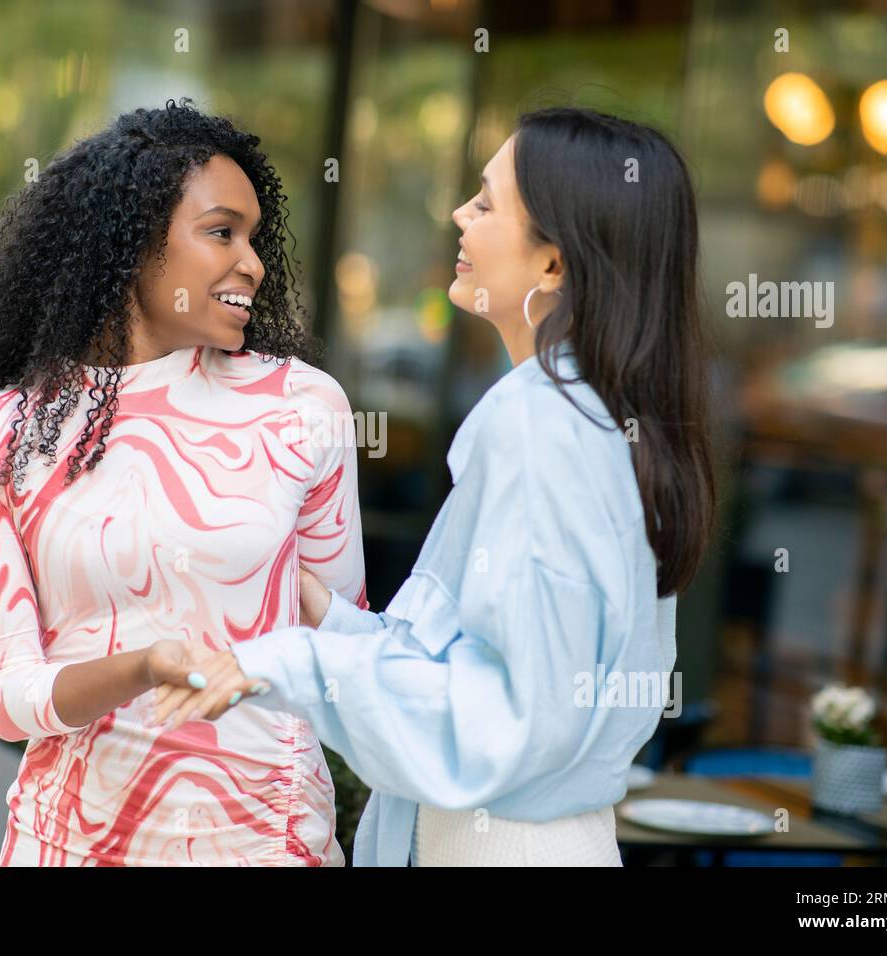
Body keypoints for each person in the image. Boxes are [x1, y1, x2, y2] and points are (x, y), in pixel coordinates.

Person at [154, 106, 716, 866]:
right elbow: (477, 666)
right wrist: (317, 609)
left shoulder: (539, 423)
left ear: (554, 263)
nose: (460, 214)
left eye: (486, 202)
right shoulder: (601, 422)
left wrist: (283, 663)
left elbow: (507, 718)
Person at [0, 99, 367, 866]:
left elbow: (346, 645)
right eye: (221, 231)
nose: (254, 262)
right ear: (127, 245)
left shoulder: (303, 407)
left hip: (269, 843)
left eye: (255, 237)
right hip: (72, 843)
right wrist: (142, 666)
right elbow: (4, 694)